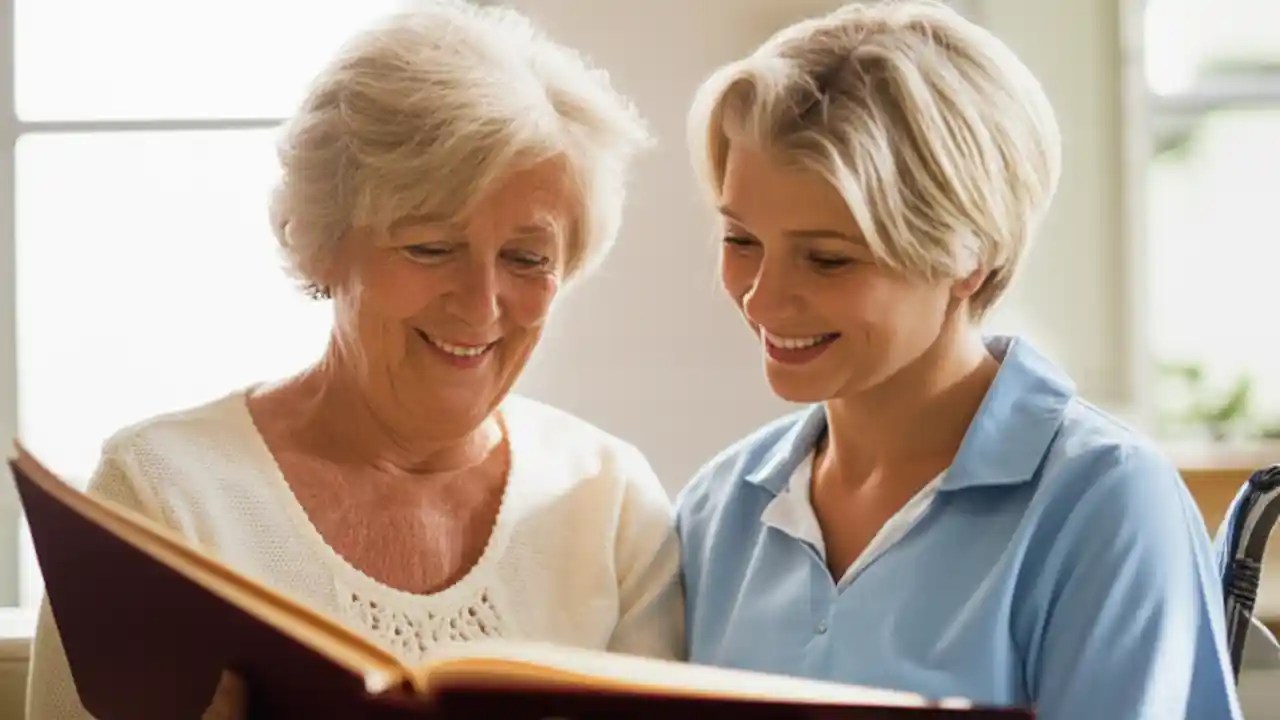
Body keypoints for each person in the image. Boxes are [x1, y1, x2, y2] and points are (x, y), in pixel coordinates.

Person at [27, 2, 683, 718]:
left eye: (527, 258)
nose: (481, 303)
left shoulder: (610, 502)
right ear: (326, 242)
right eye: (430, 247)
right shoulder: (162, 495)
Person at [675, 2, 1242, 718]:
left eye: (826, 260)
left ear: (968, 256)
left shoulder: (1104, 503)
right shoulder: (716, 513)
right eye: (741, 241)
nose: (762, 299)